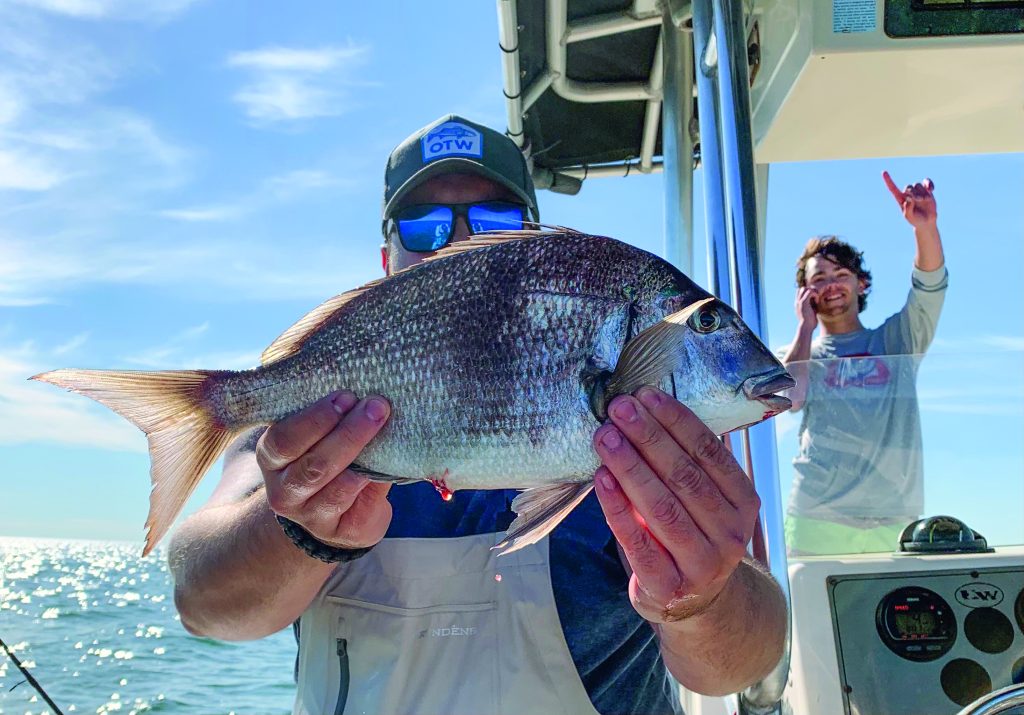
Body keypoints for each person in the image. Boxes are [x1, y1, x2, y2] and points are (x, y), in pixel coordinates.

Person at [168, 114, 786, 715]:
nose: (461, 240)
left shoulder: (658, 433)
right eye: (424, 225)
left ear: (536, 241)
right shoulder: (301, 435)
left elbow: (741, 663)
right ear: (386, 259)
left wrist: (703, 597)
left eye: (496, 219)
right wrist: (297, 526)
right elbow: (203, 605)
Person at [780, 172, 947, 557]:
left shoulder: (897, 340)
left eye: (842, 275)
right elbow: (788, 396)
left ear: (862, 284)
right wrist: (804, 329)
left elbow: (930, 286)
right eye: (819, 278)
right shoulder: (796, 354)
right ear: (805, 294)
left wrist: (925, 227)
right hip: (814, 518)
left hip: (895, 519)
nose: (832, 284)